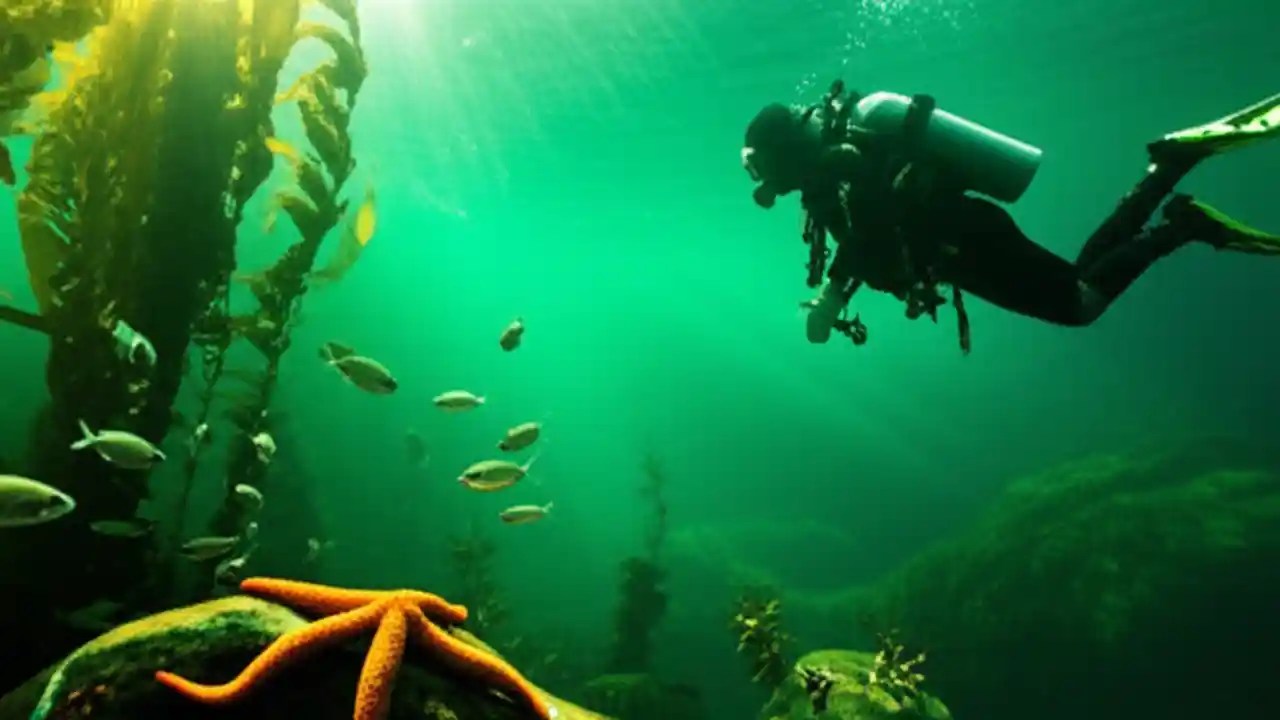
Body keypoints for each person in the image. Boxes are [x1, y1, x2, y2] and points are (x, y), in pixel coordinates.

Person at [741, 81, 1280, 350]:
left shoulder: (840, 159)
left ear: (784, 151)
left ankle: (1181, 223)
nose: (765, 180)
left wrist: (833, 295)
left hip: (968, 245)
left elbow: (874, 223)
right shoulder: (832, 165)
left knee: (1081, 305)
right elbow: (872, 229)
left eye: (764, 166)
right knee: (1075, 283)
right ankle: (1166, 172)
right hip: (966, 240)